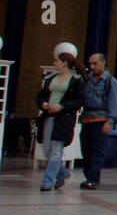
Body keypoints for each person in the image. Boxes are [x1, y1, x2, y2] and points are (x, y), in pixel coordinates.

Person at [35, 48, 86, 191]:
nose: (55, 63)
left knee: (57, 150)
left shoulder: (75, 81)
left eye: (57, 61)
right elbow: (41, 95)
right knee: (46, 149)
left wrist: (62, 106)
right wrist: (43, 103)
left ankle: (48, 181)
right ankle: (63, 173)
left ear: (65, 63)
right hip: (48, 116)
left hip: (63, 119)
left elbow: (80, 99)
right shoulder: (51, 79)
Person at [78, 53, 117, 190]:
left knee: (97, 150)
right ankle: (88, 176)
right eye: (90, 64)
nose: (92, 66)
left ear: (103, 63)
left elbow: (115, 103)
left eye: (95, 63)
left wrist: (110, 121)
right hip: (87, 119)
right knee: (86, 150)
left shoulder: (110, 81)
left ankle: (93, 178)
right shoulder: (87, 80)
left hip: (100, 119)